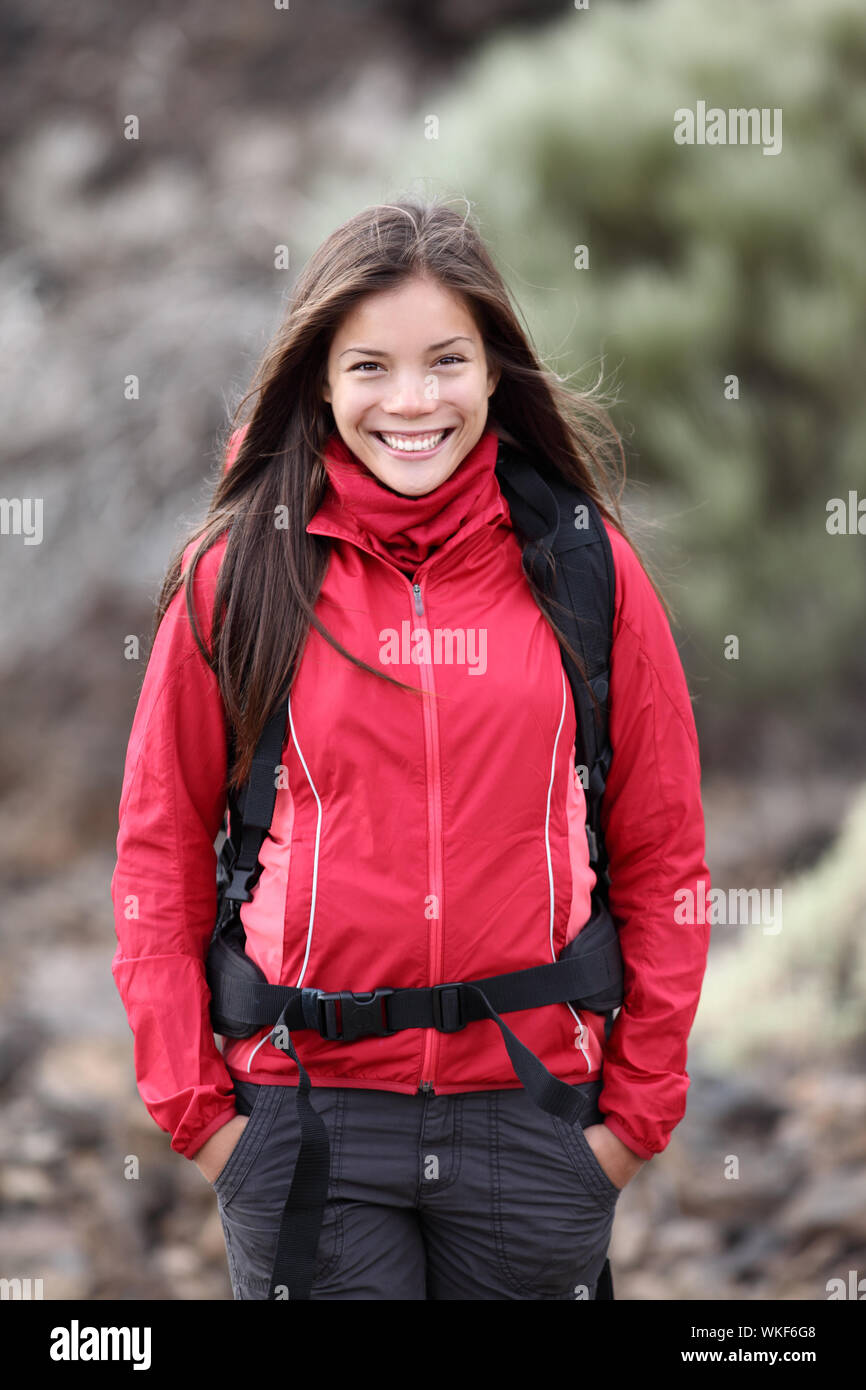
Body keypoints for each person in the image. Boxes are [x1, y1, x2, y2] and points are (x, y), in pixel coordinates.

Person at [110, 196, 712, 1301]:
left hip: (532, 1118)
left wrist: (628, 1122)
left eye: (445, 360)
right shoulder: (241, 576)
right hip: (302, 1122)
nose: (412, 400)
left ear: (493, 373)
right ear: (322, 383)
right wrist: (203, 1122)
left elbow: (665, 858)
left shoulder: (584, 571)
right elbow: (156, 855)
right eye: (370, 367)